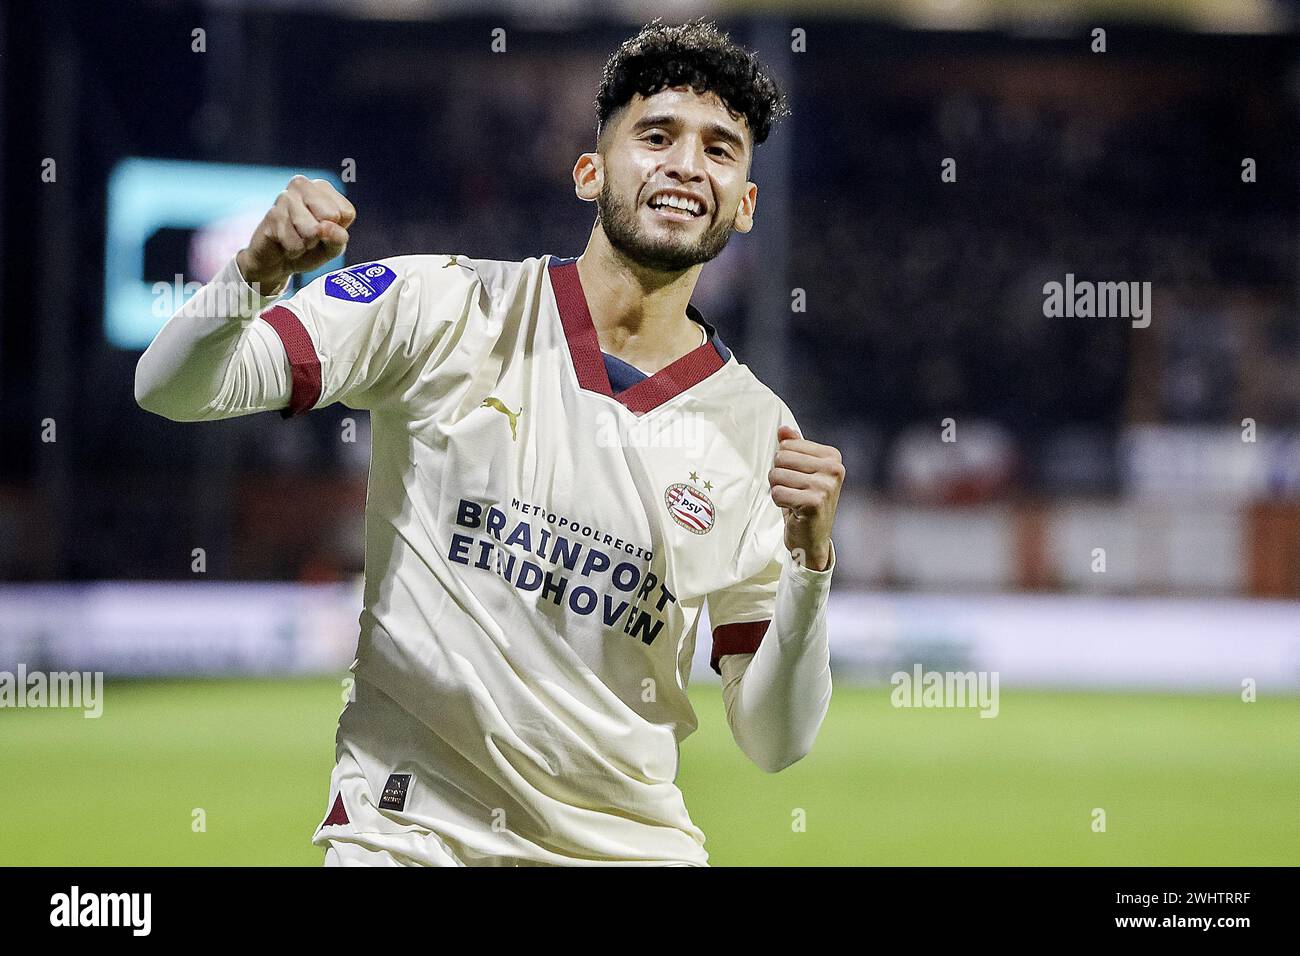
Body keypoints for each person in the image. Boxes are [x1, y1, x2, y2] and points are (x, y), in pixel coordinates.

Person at [135, 18, 843, 866]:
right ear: (590, 172)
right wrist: (249, 275)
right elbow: (174, 387)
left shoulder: (760, 434)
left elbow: (775, 740)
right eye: (656, 135)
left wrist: (809, 568)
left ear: (746, 202)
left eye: (720, 149)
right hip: (407, 840)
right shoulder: (437, 305)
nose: (688, 164)